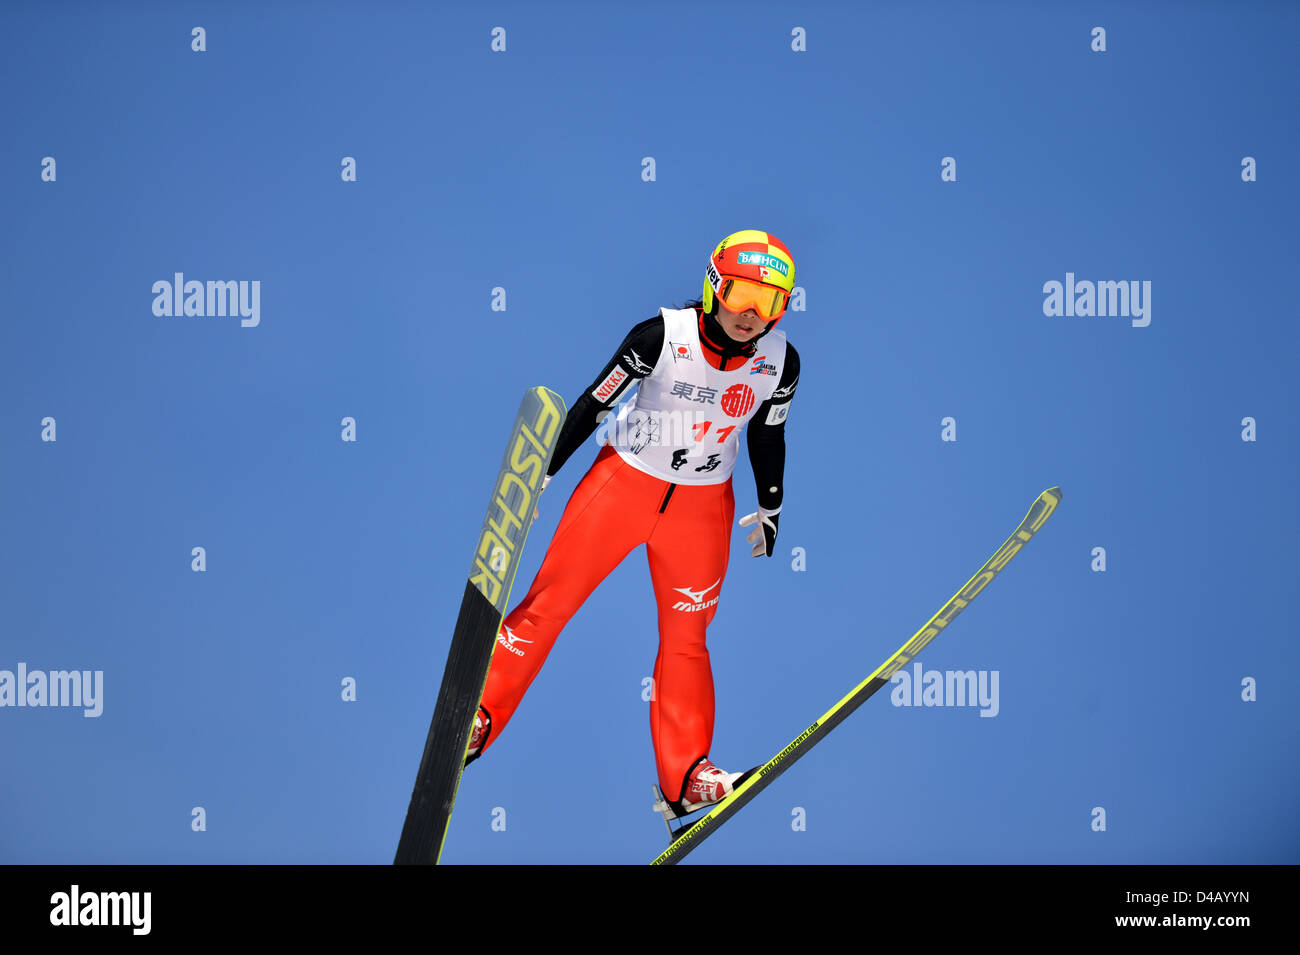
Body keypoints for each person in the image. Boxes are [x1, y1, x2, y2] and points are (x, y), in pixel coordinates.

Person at [467, 230, 801, 817]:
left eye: (769, 302)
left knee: (687, 643)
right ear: (714, 285)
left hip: (703, 511)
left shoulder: (781, 362)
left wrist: (771, 505)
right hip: (621, 487)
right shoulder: (660, 337)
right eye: (743, 294)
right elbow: (594, 402)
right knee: (549, 604)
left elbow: (768, 433)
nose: (751, 314)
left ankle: (688, 777)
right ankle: (479, 716)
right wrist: (539, 475)